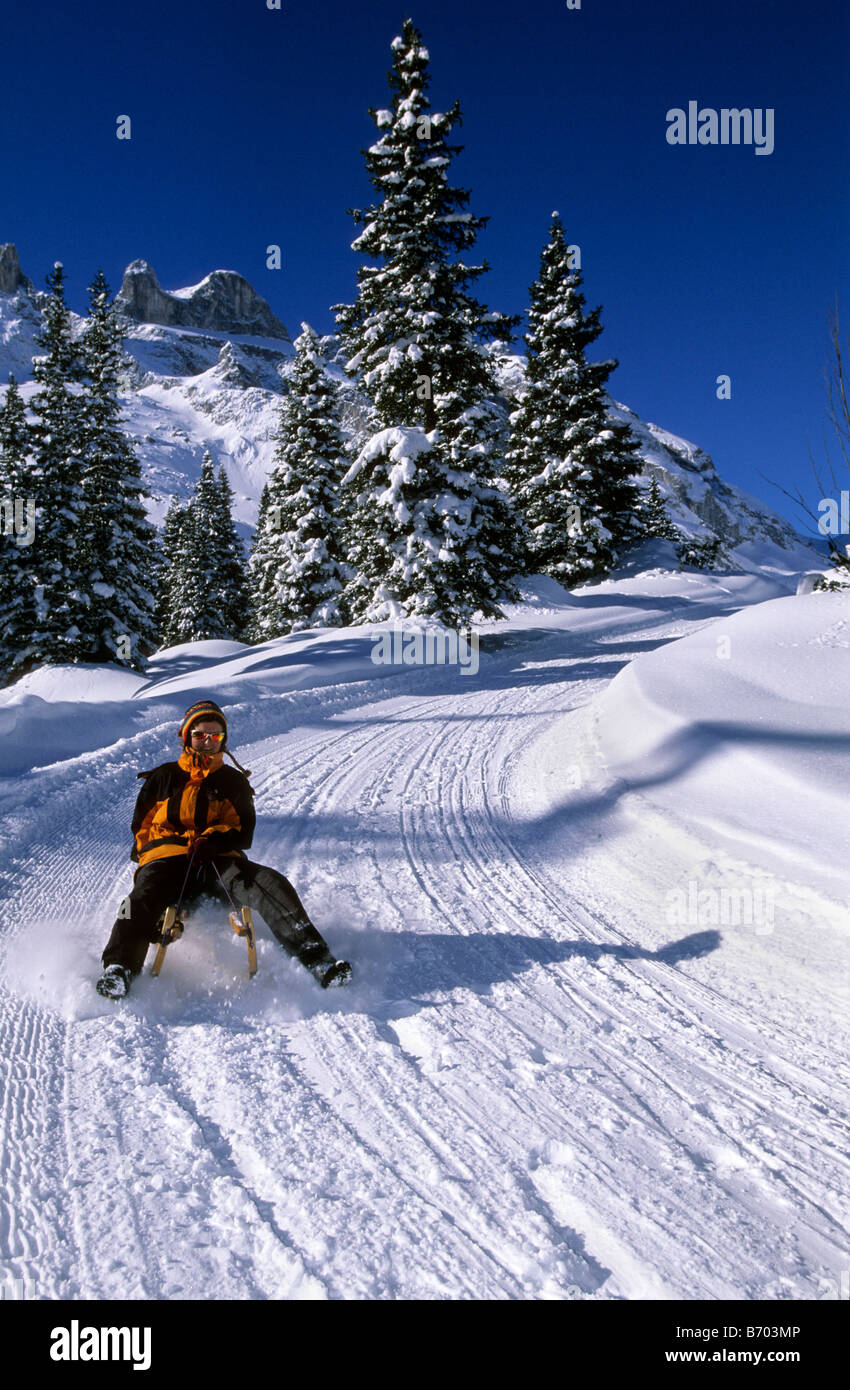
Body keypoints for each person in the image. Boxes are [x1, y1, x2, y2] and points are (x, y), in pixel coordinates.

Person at [96, 698, 352, 998]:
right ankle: (118, 968)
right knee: (139, 898)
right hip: (167, 862)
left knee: (269, 883)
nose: (207, 742)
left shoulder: (233, 781)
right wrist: (165, 851)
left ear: (223, 741)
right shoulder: (163, 777)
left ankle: (318, 959)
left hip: (218, 862)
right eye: (200, 735)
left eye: (214, 736)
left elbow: (243, 831)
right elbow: (141, 830)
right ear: (186, 736)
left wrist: (213, 840)